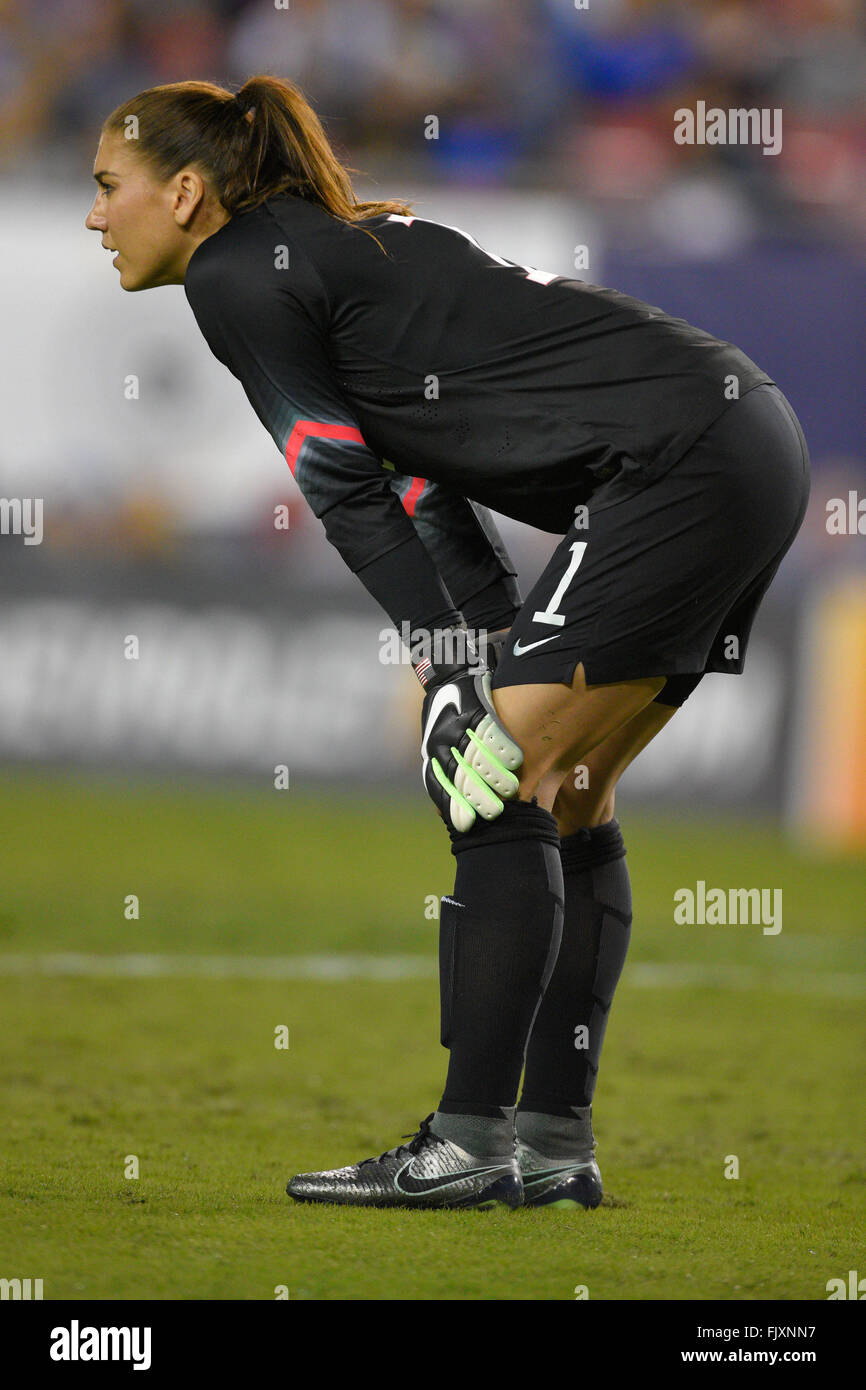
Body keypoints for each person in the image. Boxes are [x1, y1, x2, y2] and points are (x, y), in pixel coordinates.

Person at [86, 75, 810, 1211]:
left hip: (676, 463)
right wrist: (464, 646)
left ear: (184, 193)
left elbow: (340, 486)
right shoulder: (338, 251)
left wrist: (439, 670)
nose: (93, 215)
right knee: (564, 791)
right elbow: (416, 477)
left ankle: (468, 1142)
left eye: (106, 186)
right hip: (740, 441)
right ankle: (550, 1139)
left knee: (488, 783)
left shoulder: (236, 274)